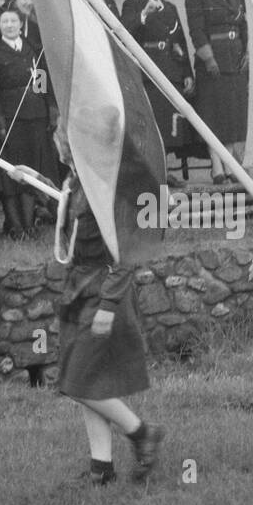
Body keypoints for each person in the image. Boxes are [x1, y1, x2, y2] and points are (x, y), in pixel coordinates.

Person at [52, 125, 162, 486]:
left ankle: (141, 432)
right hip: (79, 290)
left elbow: (126, 254)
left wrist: (108, 305)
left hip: (102, 291)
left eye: (65, 144)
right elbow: (70, 216)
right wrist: (28, 178)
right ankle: (102, 468)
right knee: (89, 381)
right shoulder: (77, 182)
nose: (61, 150)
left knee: (78, 381)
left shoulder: (108, 189)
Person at [0, 5, 56, 238]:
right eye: (5, 22)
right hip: (10, 118)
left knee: (31, 170)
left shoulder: (33, 49)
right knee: (12, 172)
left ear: (21, 24)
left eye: (14, 21)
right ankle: (15, 226)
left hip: (35, 117)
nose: (10, 26)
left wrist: (48, 110)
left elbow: (42, 82)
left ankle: (29, 223)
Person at [120, 0, 194, 175]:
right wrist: (144, 14)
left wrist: (187, 72)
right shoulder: (132, 4)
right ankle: (155, 170)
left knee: (170, 121)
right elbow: (125, 30)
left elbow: (180, 41)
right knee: (154, 122)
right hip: (148, 70)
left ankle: (167, 169)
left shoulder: (170, 7)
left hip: (171, 68)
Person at [184, 0, 248, 182]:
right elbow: (196, 29)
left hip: (235, 60)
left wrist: (246, 52)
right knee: (214, 117)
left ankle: (230, 165)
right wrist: (208, 58)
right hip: (213, 62)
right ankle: (217, 165)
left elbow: (244, 25)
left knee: (233, 117)